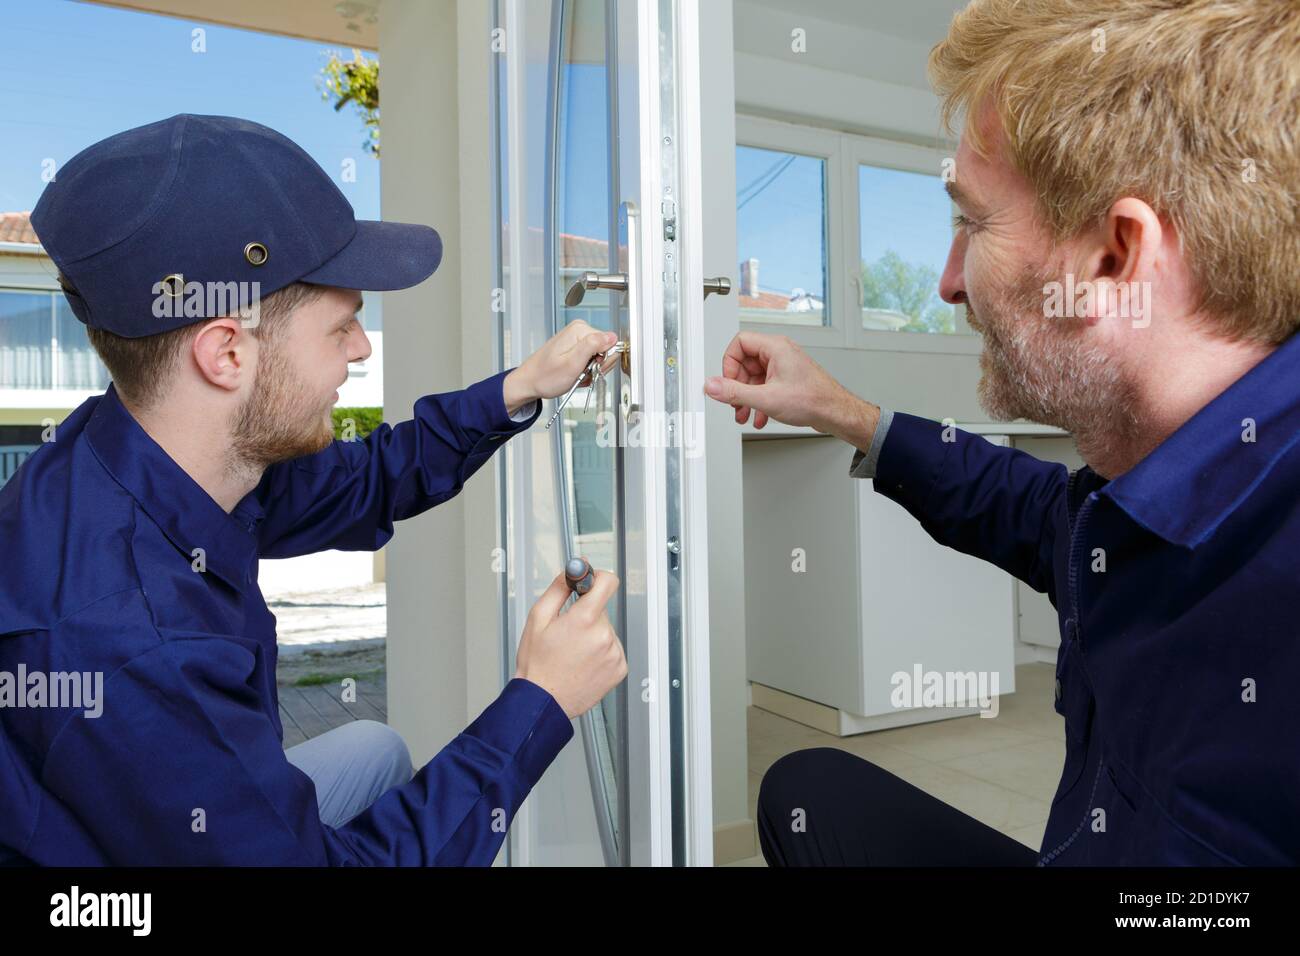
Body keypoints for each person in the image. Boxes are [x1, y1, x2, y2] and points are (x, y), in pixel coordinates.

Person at [705, 0, 1300, 865]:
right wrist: (847, 413)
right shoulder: (1161, 474)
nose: (947, 284)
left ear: (1116, 257)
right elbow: (1032, 512)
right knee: (812, 795)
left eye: (973, 223)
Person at [0, 114, 626, 865]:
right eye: (342, 328)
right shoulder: (133, 646)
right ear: (226, 352)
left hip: (144, 815)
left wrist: (519, 388)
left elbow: (367, 480)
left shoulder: (148, 455)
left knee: (371, 749)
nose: (362, 350)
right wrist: (542, 700)